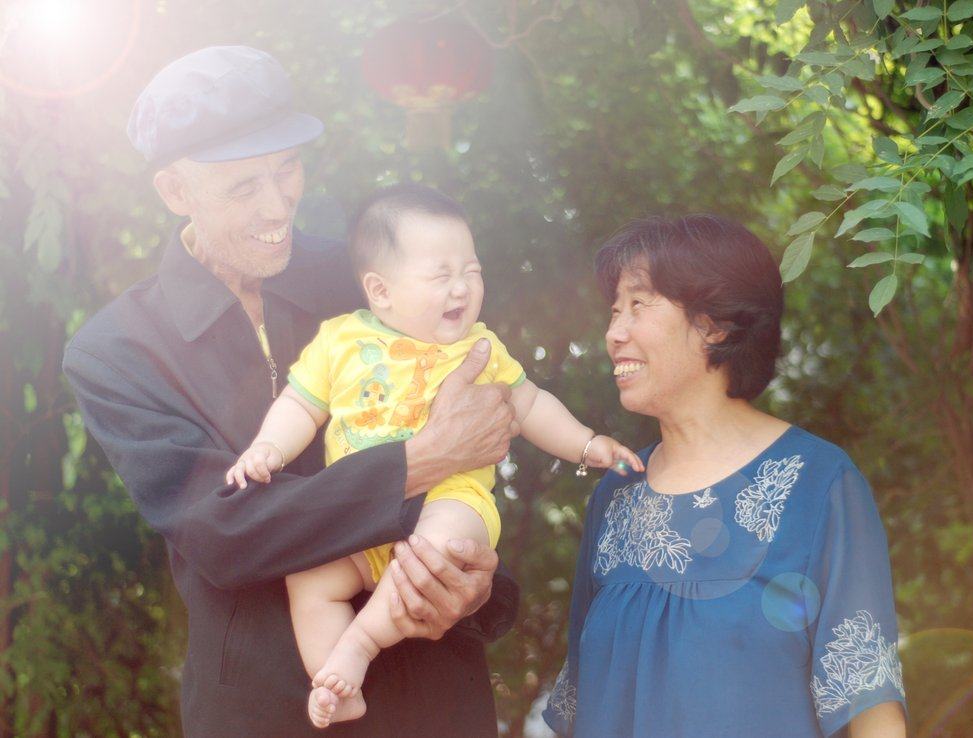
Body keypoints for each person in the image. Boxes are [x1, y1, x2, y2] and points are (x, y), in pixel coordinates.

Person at [63, 45, 520, 738]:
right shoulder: (117, 350)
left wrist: (479, 589)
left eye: (288, 169)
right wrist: (420, 460)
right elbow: (221, 531)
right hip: (260, 710)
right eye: (243, 186)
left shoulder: (371, 279)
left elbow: (479, 446)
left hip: (433, 694)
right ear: (176, 192)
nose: (278, 204)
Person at [224, 184, 644, 727]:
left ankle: (358, 647)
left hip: (450, 500)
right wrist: (267, 449)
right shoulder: (339, 340)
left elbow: (531, 404)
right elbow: (300, 405)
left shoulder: (481, 348)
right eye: (440, 275)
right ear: (381, 290)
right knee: (307, 577)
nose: (461, 288)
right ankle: (331, 682)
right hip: (358, 521)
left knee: (440, 544)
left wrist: (586, 443)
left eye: (472, 271)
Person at [543, 214, 907, 738]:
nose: (614, 333)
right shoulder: (617, 493)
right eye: (615, 310)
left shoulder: (819, 483)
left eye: (639, 305)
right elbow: (579, 709)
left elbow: (872, 710)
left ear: (714, 324)